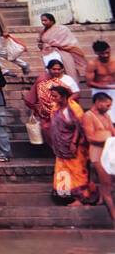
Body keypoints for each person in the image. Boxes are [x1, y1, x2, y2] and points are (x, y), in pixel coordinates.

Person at [46, 77, 97, 207]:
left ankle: (82, 199)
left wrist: (74, 142)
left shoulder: (74, 108)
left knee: (77, 172)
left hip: (74, 147)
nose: (53, 98)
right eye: (52, 96)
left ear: (63, 96)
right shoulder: (55, 108)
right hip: (60, 147)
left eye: (55, 96)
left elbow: (79, 127)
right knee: (63, 172)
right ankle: (66, 198)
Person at [81, 91, 115, 224]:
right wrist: (106, 138)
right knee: (107, 185)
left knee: (110, 184)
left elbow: (112, 131)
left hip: (109, 152)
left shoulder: (105, 115)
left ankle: (102, 200)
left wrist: (110, 137)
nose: (109, 108)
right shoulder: (88, 116)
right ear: (98, 102)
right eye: (107, 105)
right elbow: (90, 137)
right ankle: (113, 215)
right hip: (97, 153)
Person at [37, 13, 88, 84]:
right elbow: (40, 41)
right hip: (47, 53)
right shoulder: (42, 31)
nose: (43, 22)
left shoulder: (62, 29)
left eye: (45, 20)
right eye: (42, 21)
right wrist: (42, 45)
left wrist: (55, 45)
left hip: (62, 52)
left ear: (52, 21)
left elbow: (68, 42)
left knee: (65, 70)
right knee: (50, 71)